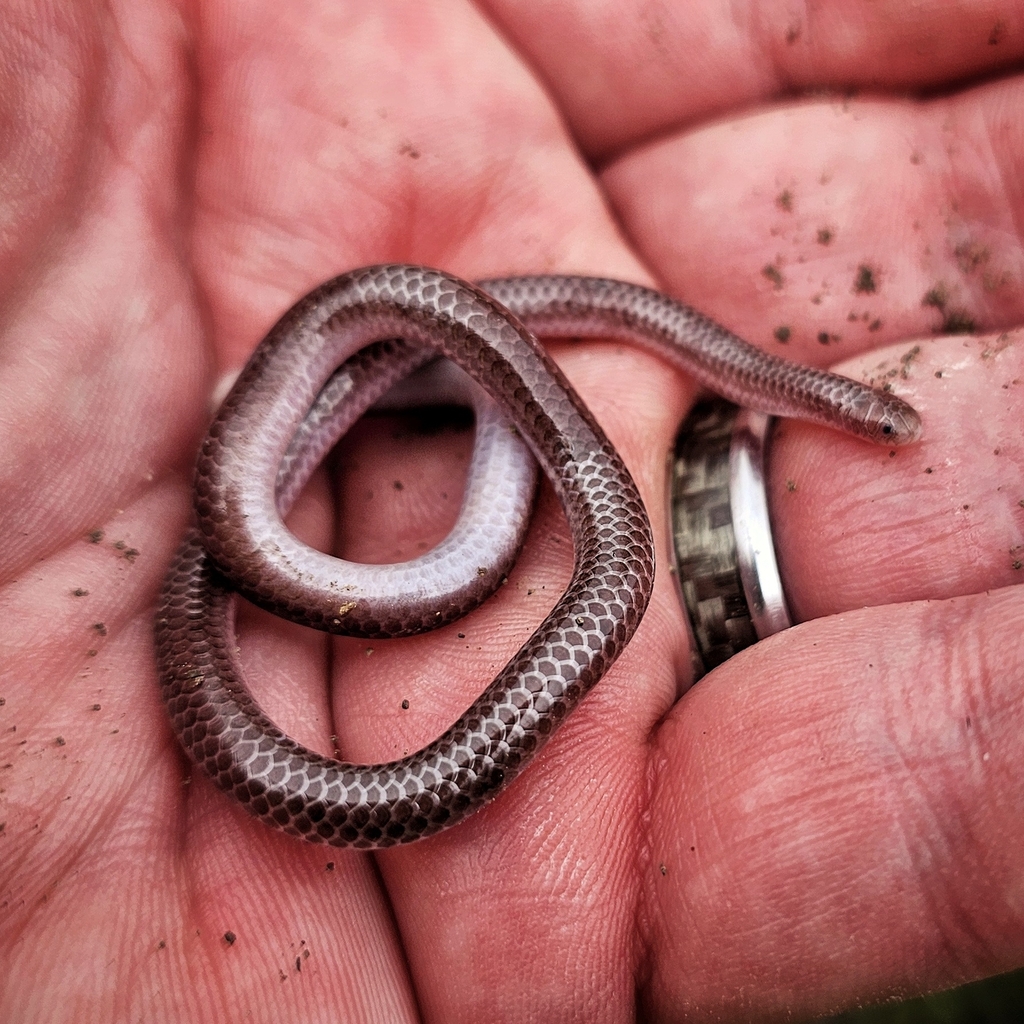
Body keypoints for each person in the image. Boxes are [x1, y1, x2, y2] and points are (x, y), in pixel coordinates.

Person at [2, 1, 1022, 1020]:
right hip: (329, 380)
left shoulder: (536, 411)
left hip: (387, 365)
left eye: (881, 430)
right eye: (884, 428)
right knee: (503, 480)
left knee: (589, 532)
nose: (890, 437)